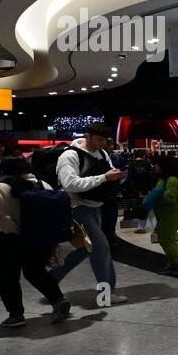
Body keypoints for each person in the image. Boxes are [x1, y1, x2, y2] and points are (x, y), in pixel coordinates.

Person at [0, 156, 70, 328]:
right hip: (37, 237)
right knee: (36, 272)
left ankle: (16, 315)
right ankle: (58, 299)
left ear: (2, 171)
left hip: (5, 240)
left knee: (8, 278)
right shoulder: (42, 185)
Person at [50, 122, 128, 304]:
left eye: (105, 140)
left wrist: (117, 178)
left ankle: (52, 278)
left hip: (95, 205)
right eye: (99, 139)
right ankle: (106, 295)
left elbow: (106, 177)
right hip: (76, 206)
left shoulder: (101, 154)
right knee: (101, 247)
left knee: (87, 248)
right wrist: (104, 178)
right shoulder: (69, 155)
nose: (102, 143)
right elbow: (69, 184)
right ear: (87, 136)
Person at [148, 153, 178, 276]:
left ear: (164, 166)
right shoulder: (163, 178)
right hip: (166, 214)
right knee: (165, 239)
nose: (155, 166)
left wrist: (154, 198)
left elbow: (170, 197)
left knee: (166, 240)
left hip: (172, 213)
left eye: (158, 164)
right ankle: (173, 264)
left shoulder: (172, 180)